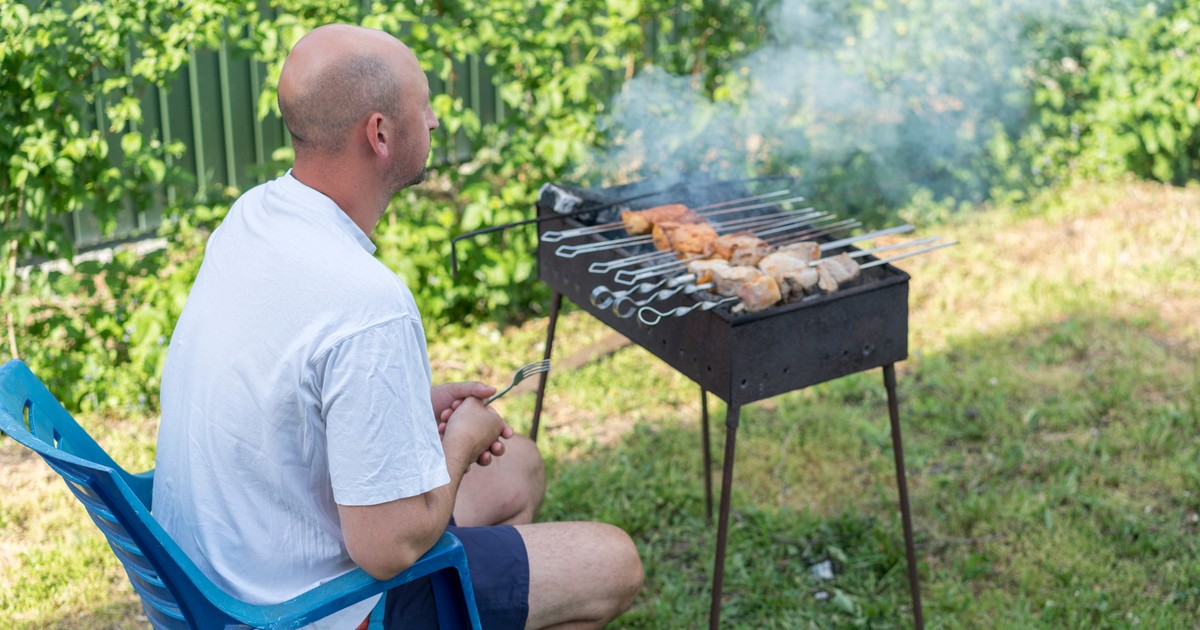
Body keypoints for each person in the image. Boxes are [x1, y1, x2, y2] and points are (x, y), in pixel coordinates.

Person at [152, 23, 643, 630]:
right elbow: (386, 550)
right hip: (306, 610)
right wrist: (460, 441)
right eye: (424, 103)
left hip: (222, 570)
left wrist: (409, 405)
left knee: (519, 465)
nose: (434, 121)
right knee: (613, 564)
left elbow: (286, 392)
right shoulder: (367, 302)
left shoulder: (253, 216)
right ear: (380, 133)